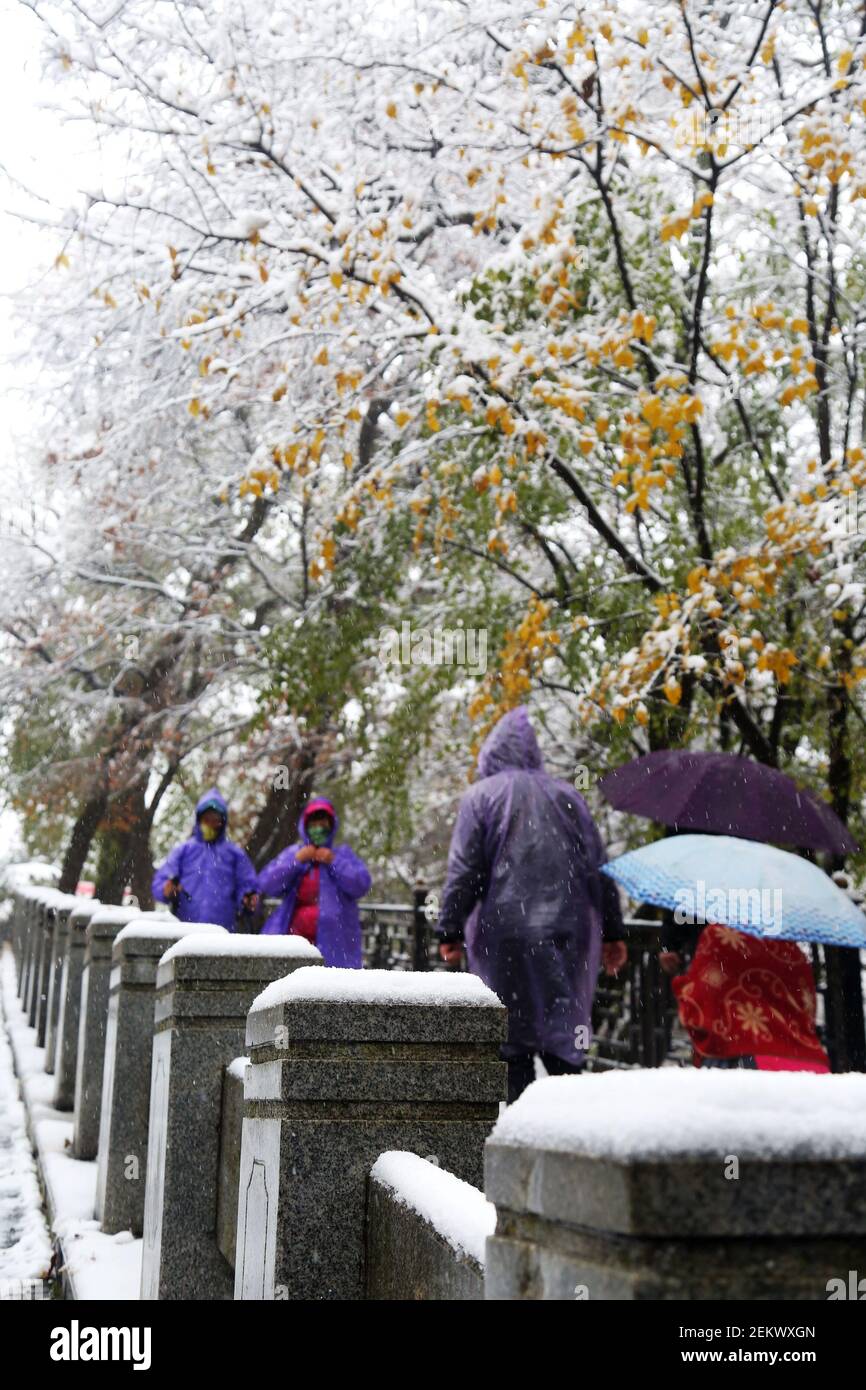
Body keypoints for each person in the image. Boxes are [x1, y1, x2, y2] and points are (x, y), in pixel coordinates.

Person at [436, 706, 627, 1103]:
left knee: (509, 1038)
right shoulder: (568, 795)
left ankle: (519, 1132)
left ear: (490, 755)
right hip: (568, 933)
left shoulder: (482, 797)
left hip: (503, 933)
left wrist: (450, 928)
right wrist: (614, 930)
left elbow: (465, 869)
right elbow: (599, 866)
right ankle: (568, 1133)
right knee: (564, 1032)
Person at [672, 922, 830, 1072]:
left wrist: (681, 984)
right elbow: (806, 1010)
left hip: (742, 1061)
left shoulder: (719, 936)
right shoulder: (792, 949)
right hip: (808, 1067)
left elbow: (698, 1005)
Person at [258, 796, 371, 966]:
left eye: (323, 825)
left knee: (330, 990)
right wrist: (296, 861)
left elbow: (361, 885)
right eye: (314, 825)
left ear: (331, 827)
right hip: (294, 943)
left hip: (336, 945)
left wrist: (334, 862)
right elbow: (267, 883)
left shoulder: (342, 854)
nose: (318, 829)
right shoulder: (296, 853)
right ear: (306, 827)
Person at [151, 788, 259, 931]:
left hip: (223, 933)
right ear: (199, 820)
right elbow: (162, 882)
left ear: (223, 822)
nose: (210, 825)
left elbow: (248, 885)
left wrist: (248, 899)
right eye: (206, 820)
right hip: (184, 931)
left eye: (216, 820)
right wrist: (168, 889)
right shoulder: (184, 851)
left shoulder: (234, 854)